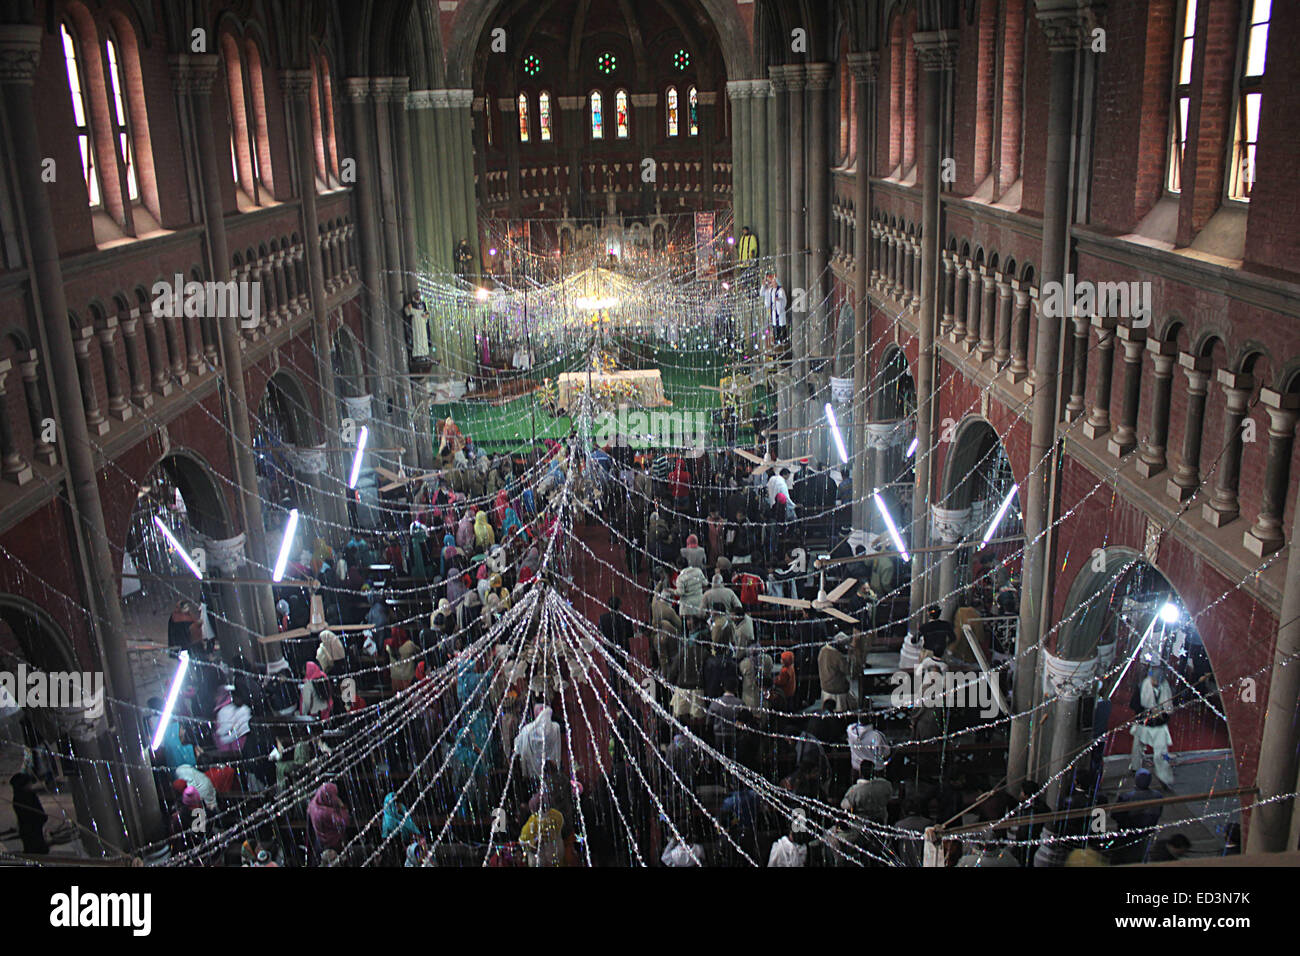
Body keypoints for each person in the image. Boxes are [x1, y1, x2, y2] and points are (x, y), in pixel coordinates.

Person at [1129, 664, 1176, 789]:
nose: (1155, 682)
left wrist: (1161, 713)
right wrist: (1148, 711)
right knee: (1138, 746)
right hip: (1144, 723)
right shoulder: (1142, 687)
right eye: (1153, 679)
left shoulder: (1165, 688)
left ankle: (1164, 778)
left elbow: (1169, 707)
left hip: (1158, 726)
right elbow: (1134, 705)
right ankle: (1135, 767)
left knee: (1161, 752)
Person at [514, 704, 561, 781]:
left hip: (534, 772)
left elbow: (517, 746)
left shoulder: (527, 730)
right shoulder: (556, 728)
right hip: (549, 771)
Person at [519, 791, 566, 867]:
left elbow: (523, 841)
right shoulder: (556, 815)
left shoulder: (532, 822)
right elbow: (562, 825)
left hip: (540, 859)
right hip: (557, 852)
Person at [10, 772, 48, 854]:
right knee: (38, 851)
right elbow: (38, 813)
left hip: (26, 830)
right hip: (33, 829)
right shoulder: (30, 796)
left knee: (31, 849)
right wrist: (43, 818)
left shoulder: (16, 798)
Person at [308, 782, 350, 853]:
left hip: (319, 842)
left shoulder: (313, 805)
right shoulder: (327, 814)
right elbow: (345, 821)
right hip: (332, 845)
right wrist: (342, 807)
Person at [818, 632, 852, 710]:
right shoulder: (836, 655)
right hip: (836, 689)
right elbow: (849, 670)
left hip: (824, 687)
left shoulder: (823, 650)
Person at [762, 272, 788, 346]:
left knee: (781, 325)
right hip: (774, 310)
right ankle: (776, 339)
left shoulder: (780, 290)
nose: (772, 283)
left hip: (779, 309)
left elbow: (784, 299)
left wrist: (779, 299)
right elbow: (763, 293)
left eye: (774, 282)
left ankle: (783, 339)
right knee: (775, 325)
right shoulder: (771, 290)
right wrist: (763, 286)